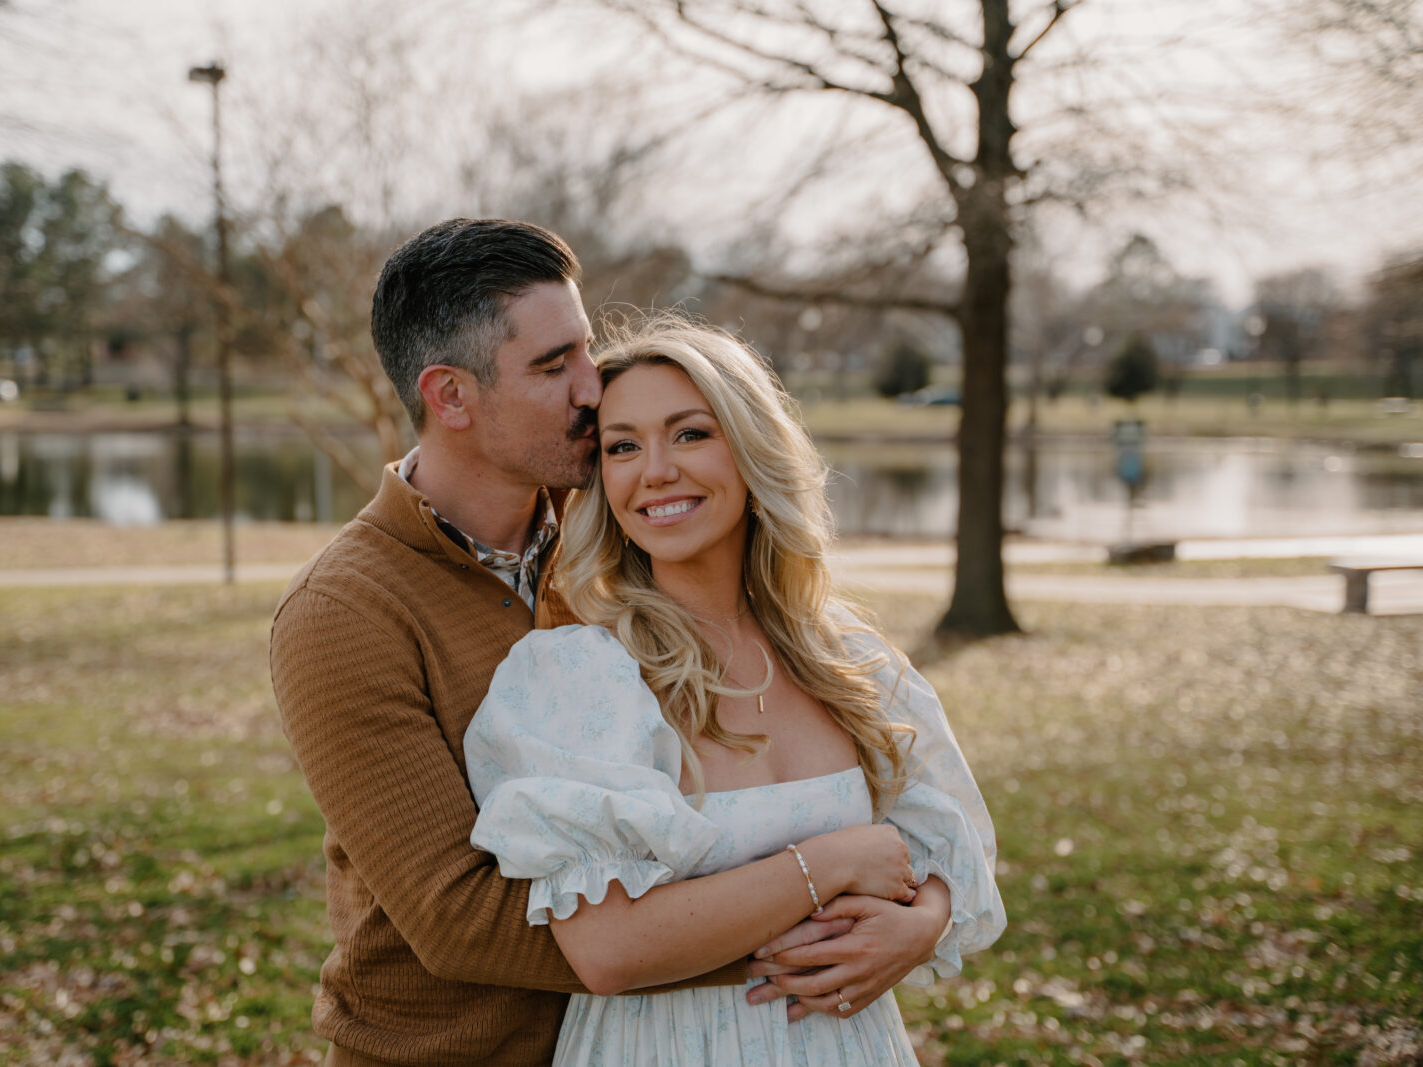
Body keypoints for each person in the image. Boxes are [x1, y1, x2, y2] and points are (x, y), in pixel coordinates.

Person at [271, 219, 951, 1067]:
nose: (594, 389)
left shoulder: (611, 539)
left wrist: (917, 919)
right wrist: (828, 930)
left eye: (586, 351)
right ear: (450, 396)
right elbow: (458, 922)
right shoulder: (344, 614)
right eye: (555, 366)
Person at [465, 314, 1005, 1064]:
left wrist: (923, 925)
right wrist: (831, 864)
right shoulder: (582, 678)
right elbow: (610, 948)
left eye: (690, 434)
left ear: (753, 451)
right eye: (622, 446)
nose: (654, 470)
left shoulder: (847, 658)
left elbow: (947, 840)